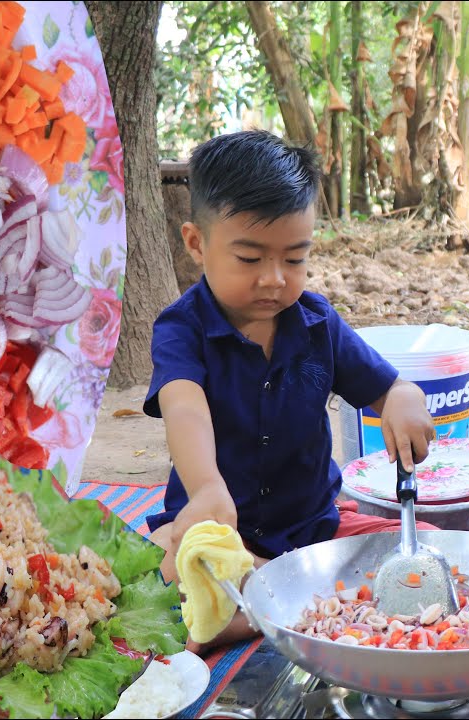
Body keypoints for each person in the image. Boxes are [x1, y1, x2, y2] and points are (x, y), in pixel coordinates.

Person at [143, 130, 437, 651]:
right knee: (167, 571)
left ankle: (262, 604)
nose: (274, 279)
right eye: (250, 259)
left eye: (295, 259)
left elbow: (385, 388)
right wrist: (207, 487)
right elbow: (183, 406)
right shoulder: (180, 329)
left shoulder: (317, 323)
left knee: (423, 555)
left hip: (313, 530)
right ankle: (279, 603)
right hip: (218, 532)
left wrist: (402, 397)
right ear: (196, 243)